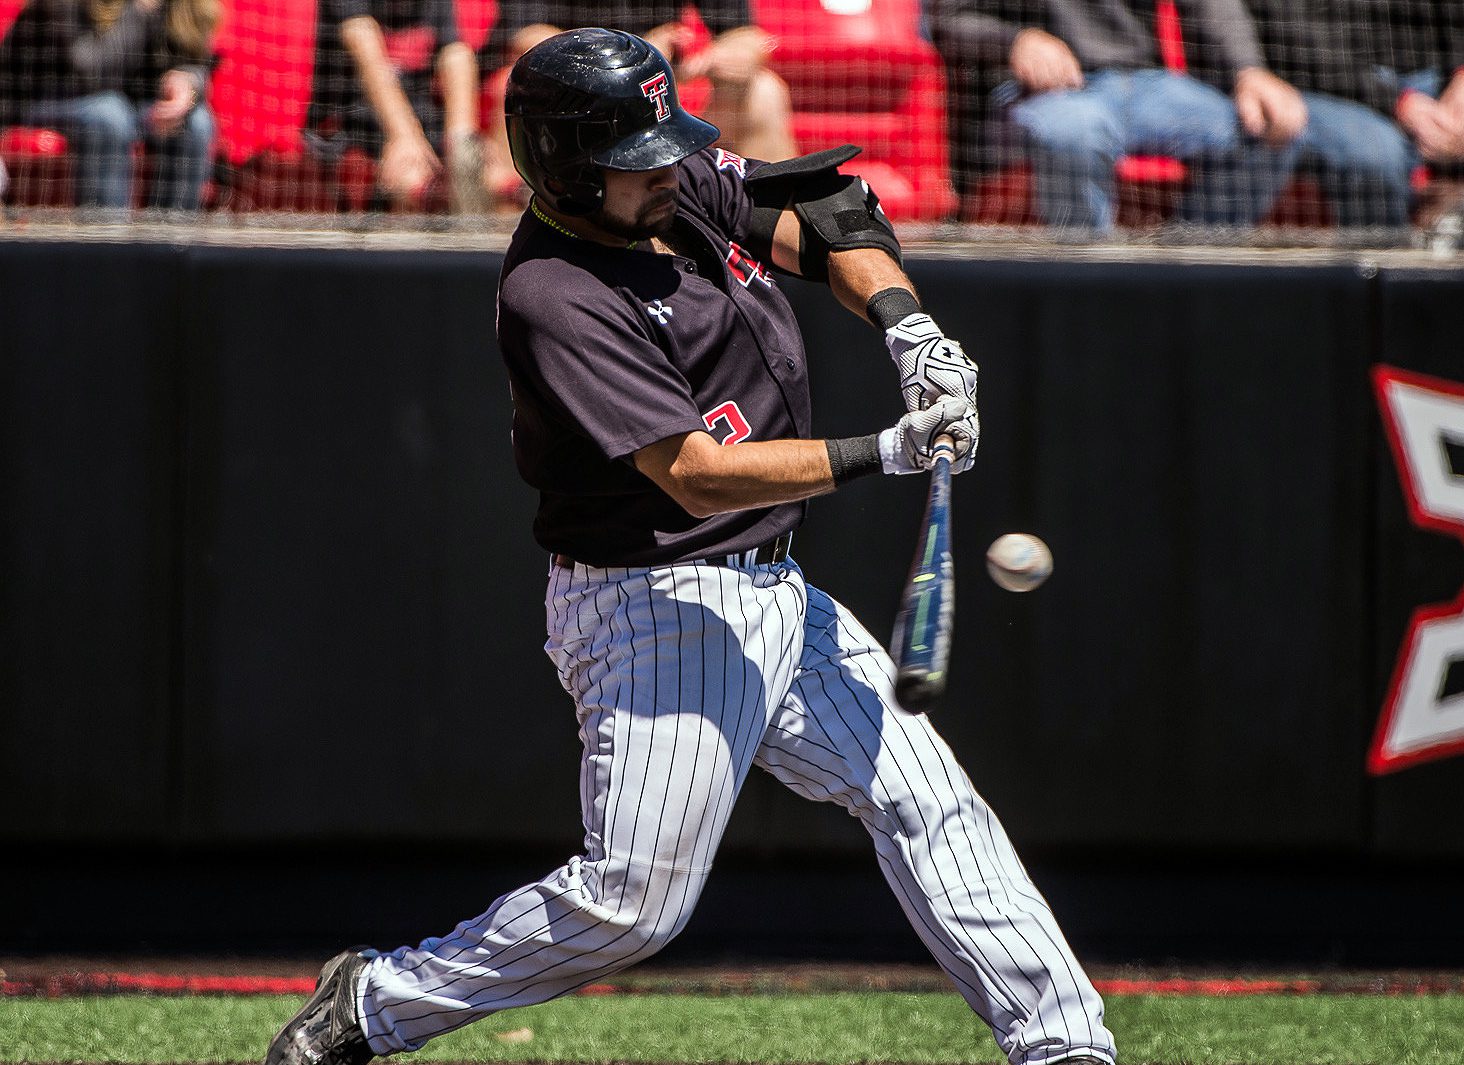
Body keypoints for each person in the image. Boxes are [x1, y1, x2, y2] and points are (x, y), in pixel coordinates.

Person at [263, 27, 1118, 1065]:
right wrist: (888, 448)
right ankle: (377, 1003)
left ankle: (1065, 1045)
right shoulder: (556, 293)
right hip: (655, 608)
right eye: (637, 160)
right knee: (633, 907)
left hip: (775, 592)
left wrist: (907, 327)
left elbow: (829, 215)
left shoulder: (670, 191)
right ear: (572, 171)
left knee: (928, 802)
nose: (668, 168)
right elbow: (696, 474)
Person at [927, 0, 1307, 231]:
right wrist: (1015, 41)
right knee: (1075, 133)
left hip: (1146, 85)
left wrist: (1249, 70)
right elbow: (945, 21)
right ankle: (1089, 287)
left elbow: (1212, 10)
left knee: (1276, 129)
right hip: (1037, 95)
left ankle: (1183, 273)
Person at [477, 1, 797, 204]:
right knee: (515, 85)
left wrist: (708, 58)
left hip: (659, 105)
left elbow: (751, 38)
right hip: (576, 108)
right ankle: (514, 247)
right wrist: (637, 53)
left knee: (764, 91)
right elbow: (527, 36)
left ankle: (770, 237)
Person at [1244, 0, 1464, 228]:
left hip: (1438, 77)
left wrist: (1461, 75)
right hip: (1332, 84)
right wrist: (1398, 102)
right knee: (1379, 154)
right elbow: (1291, 34)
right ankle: (1391, 257)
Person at [0, 0, 218, 210]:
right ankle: (108, 243)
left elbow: (198, 63)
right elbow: (87, 71)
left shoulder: (177, 5)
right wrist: (138, 10)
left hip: (124, 107)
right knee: (109, 115)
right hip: (43, 101)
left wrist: (187, 83)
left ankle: (173, 243)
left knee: (196, 122)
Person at [307, 0, 493, 212]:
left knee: (490, 179)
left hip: (423, 122)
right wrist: (403, 136)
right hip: (355, 125)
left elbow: (454, 53)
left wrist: (462, 143)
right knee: (410, 179)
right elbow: (362, 44)